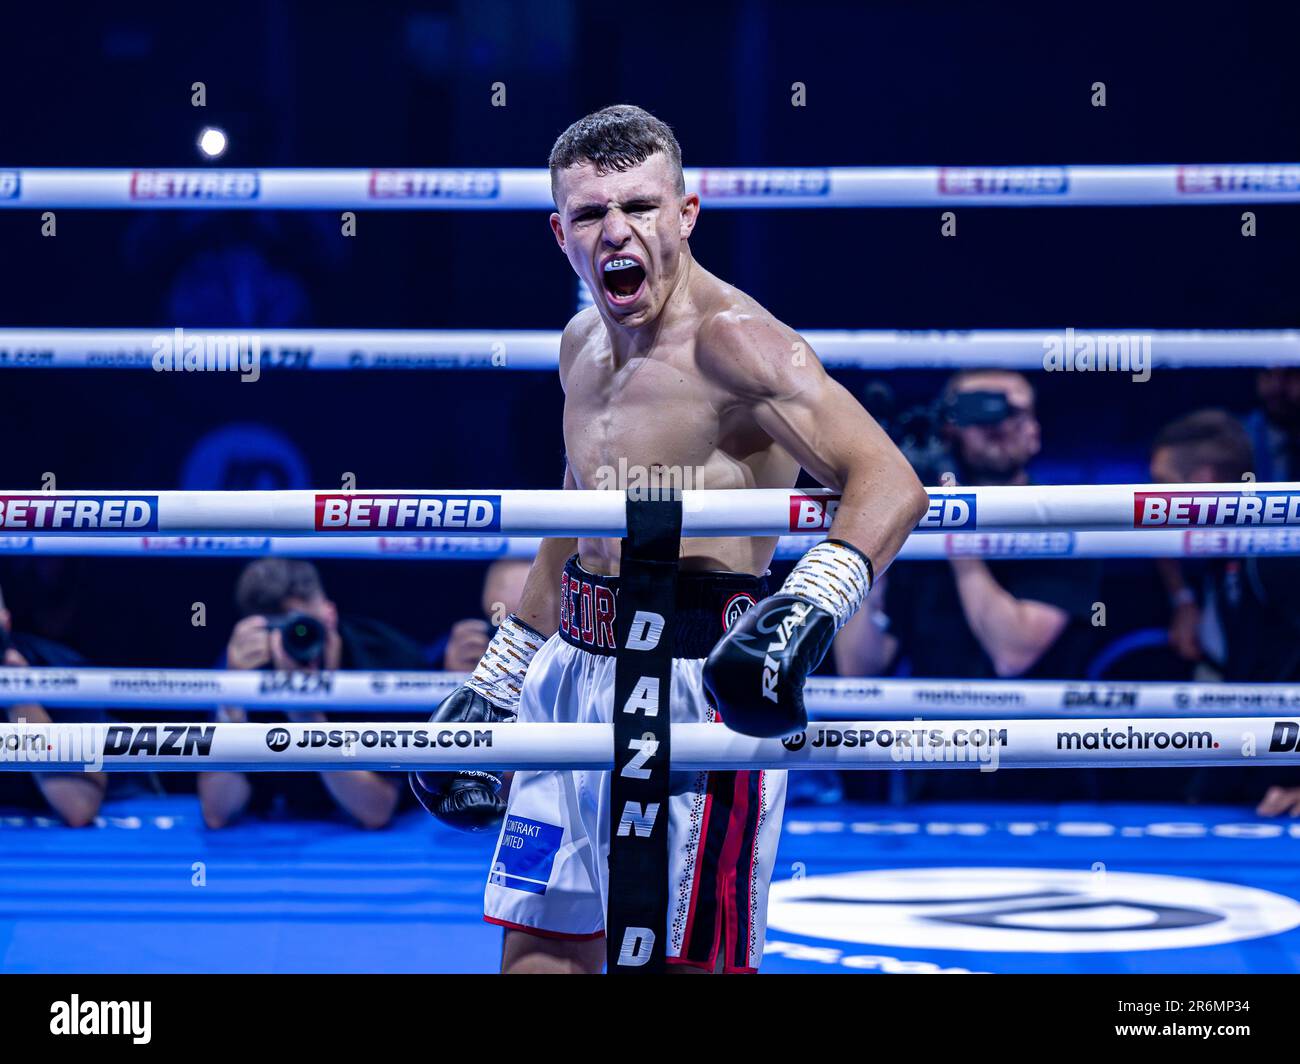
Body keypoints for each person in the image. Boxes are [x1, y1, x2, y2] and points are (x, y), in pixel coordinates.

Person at [410, 105, 927, 974]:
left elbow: (889, 482)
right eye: (590, 214)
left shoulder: (739, 347)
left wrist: (805, 609)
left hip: (692, 685)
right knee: (540, 956)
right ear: (561, 235)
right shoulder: (580, 344)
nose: (618, 230)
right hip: (569, 672)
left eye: (642, 206)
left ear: (685, 214)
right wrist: (502, 678)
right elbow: (578, 510)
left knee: (687, 968)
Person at [832, 369, 1102, 799]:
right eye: (981, 411)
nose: (998, 425)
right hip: (935, 780)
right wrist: (874, 528)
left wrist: (954, 527)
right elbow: (859, 667)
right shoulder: (913, 528)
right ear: (948, 426)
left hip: (1045, 781)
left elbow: (1012, 654)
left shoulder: (1062, 520)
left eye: (1014, 411)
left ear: (1035, 431)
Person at [199, 558, 427, 829]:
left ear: (329, 615)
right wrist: (233, 703)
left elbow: (376, 810)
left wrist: (308, 720)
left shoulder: (386, 661)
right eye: (282, 633)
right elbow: (217, 812)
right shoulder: (245, 669)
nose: (296, 644)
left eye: (304, 629)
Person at [1149, 409, 1300, 815]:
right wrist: (1182, 599)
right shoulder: (1224, 545)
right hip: (1252, 747)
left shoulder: (1275, 552)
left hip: (1284, 759)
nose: (1148, 502)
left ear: (1203, 483)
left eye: (1161, 486)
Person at [0, 583, 108, 826]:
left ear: (4, 622)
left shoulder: (61, 672)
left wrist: (18, 694)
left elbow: (79, 806)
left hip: (86, 833)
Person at [429, 558, 532, 671]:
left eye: (531, 632)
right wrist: (456, 677)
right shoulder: (465, 644)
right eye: (503, 630)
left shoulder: (552, 654)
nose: (514, 646)